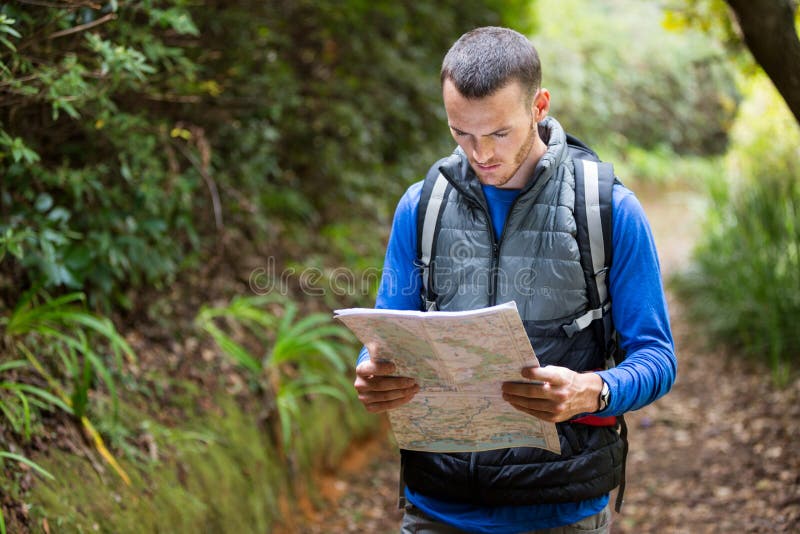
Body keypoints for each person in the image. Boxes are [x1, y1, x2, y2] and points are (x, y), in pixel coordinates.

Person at [353, 26, 676, 533]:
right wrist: (372, 375)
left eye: (498, 133)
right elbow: (383, 335)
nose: (480, 154)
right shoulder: (422, 205)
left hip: (560, 511)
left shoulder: (609, 208)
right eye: (461, 133)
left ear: (538, 106)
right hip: (433, 506)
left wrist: (592, 390)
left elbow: (658, 359)